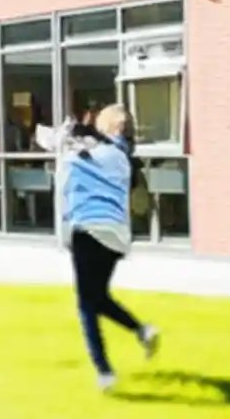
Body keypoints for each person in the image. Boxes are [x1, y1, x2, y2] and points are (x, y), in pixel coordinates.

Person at [61, 104, 159, 392]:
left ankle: (103, 370)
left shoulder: (99, 153)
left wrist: (67, 142)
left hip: (87, 230)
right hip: (114, 236)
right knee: (98, 297)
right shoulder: (123, 158)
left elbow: (71, 166)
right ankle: (142, 330)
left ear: (111, 128)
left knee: (85, 304)